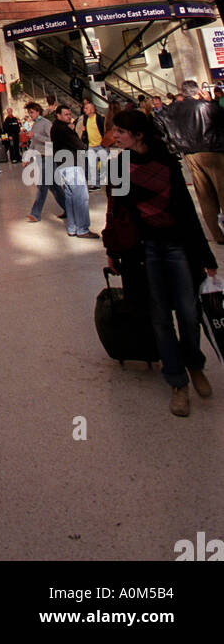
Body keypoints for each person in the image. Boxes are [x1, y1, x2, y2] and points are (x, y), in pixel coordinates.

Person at [104, 110, 217, 417]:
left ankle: (195, 364)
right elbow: (116, 212)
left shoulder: (167, 163)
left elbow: (187, 212)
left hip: (178, 245)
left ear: (138, 134)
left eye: (121, 131)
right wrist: (112, 249)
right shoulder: (120, 166)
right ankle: (177, 381)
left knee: (189, 313)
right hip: (145, 250)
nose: (115, 136)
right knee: (159, 318)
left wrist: (206, 256)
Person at [156, 80, 224, 246]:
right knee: (222, 191)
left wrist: (172, 139)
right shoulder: (206, 106)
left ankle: (217, 235)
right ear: (197, 91)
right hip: (213, 151)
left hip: (189, 154)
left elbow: (158, 121)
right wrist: (210, 101)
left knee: (205, 195)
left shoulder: (172, 109)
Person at [50, 105, 99, 240]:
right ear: (58, 115)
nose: (68, 116)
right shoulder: (64, 129)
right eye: (65, 114)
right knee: (81, 198)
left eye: (69, 114)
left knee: (70, 197)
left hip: (64, 165)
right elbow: (79, 145)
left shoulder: (55, 127)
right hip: (72, 165)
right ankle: (82, 228)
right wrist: (76, 133)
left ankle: (72, 227)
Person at [23, 101, 67, 222]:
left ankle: (35, 214)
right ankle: (68, 209)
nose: (30, 114)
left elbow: (51, 140)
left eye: (31, 112)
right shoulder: (35, 124)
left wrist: (35, 135)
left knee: (42, 186)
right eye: (29, 112)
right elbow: (33, 143)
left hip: (47, 158)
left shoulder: (46, 124)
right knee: (55, 187)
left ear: (38, 111)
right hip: (40, 158)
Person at [78, 99, 107, 189]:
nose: (84, 110)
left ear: (92, 109)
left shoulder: (99, 118)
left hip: (101, 145)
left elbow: (103, 130)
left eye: (86, 108)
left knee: (105, 164)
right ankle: (96, 184)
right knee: (92, 166)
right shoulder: (85, 119)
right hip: (91, 146)